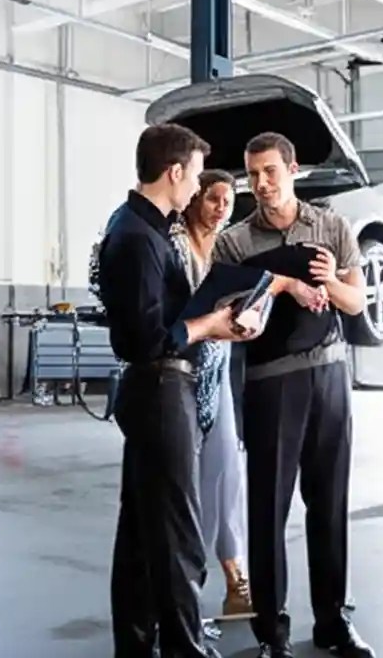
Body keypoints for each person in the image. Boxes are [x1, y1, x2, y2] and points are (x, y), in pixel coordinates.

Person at [97, 124, 264, 658]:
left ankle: (139, 645)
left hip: (163, 387)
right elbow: (146, 338)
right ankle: (185, 649)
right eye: (195, 176)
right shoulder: (136, 238)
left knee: (144, 534)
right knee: (178, 533)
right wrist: (207, 327)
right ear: (174, 173)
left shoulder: (147, 230)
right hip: (161, 386)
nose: (197, 189)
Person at [212, 132, 376, 658]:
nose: (260, 185)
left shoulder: (331, 226)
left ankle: (332, 621)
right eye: (252, 174)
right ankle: (272, 633)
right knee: (269, 510)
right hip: (270, 382)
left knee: (329, 504)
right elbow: (229, 308)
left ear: (293, 168)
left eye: (270, 172)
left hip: (329, 377)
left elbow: (356, 304)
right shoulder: (234, 242)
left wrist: (331, 282)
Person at [169, 169, 254, 621]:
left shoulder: (223, 247)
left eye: (229, 199)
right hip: (179, 372)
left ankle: (234, 577)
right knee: (187, 487)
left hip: (217, 368)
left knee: (227, 471)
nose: (223, 207)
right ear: (195, 198)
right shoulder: (176, 241)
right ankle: (186, 595)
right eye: (214, 198)